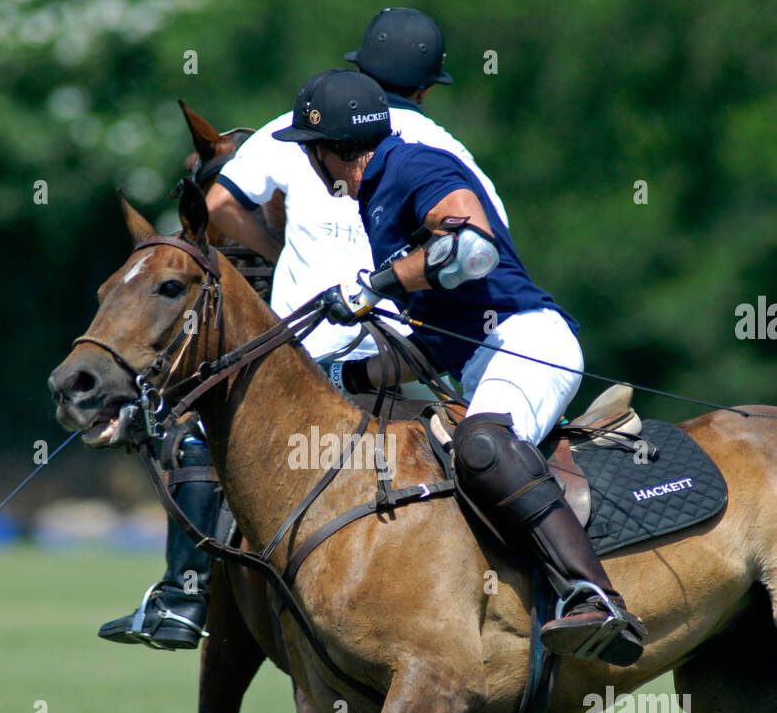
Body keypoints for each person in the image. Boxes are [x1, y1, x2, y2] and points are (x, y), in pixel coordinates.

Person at [99, 8, 510, 650]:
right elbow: (477, 255)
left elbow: (218, 203)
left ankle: (183, 598)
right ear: (429, 87)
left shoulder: (298, 130)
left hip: (295, 351)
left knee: (202, 433)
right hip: (398, 357)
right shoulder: (451, 155)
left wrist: (275, 248)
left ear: (359, 76)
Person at [272, 68, 646, 666]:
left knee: (483, 446)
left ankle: (596, 597)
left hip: (530, 342)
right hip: (475, 359)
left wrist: (375, 285)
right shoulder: (375, 199)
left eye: (307, 151)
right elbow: (432, 346)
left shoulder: (415, 167)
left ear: (326, 151)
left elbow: (471, 244)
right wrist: (343, 379)